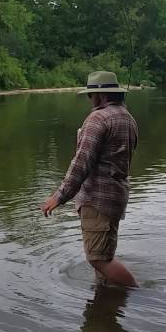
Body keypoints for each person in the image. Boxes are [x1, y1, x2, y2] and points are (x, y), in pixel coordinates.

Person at [41, 70, 139, 287]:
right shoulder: (127, 118)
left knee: (98, 258)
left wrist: (59, 196)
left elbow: (81, 162)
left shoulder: (97, 119)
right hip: (116, 197)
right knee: (103, 257)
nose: (90, 100)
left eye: (90, 95)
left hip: (98, 199)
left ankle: (139, 293)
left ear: (101, 96)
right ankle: (106, 303)